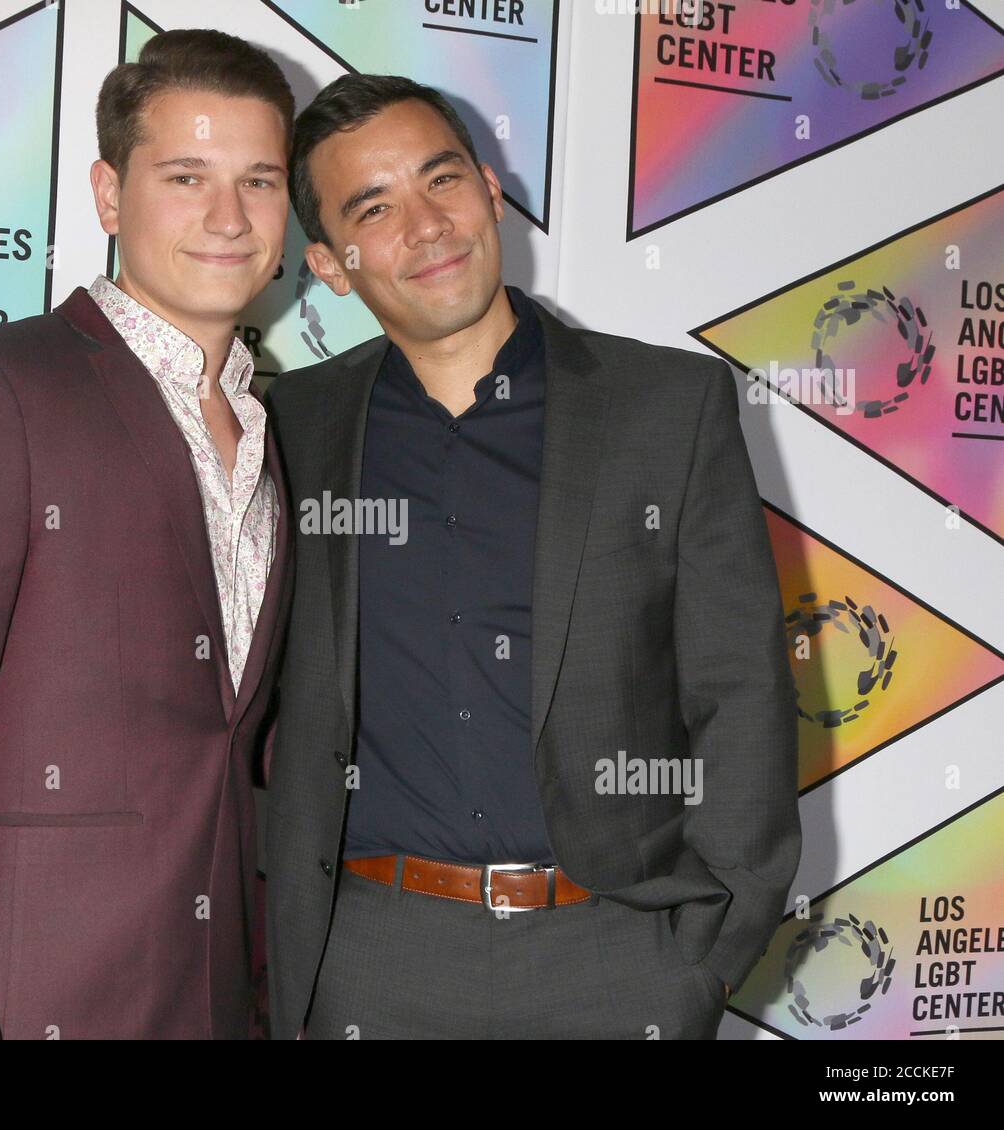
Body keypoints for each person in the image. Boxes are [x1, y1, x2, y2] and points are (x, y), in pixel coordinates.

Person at [261, 73, 800, 1039]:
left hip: (614, 957)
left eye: (442, 181)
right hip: (369, 964)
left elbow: (740, 692)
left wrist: (705, 962)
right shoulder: (286, 430)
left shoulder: (667, 408)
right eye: (374, 208)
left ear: (491, 193)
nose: (427, 225)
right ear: (332, 265)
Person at [0, 29, 295, 1039]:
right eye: (186, 176)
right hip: (27, 998)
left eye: (258, 181)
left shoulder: (270, 430)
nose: (228, 217)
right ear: (107, 194)